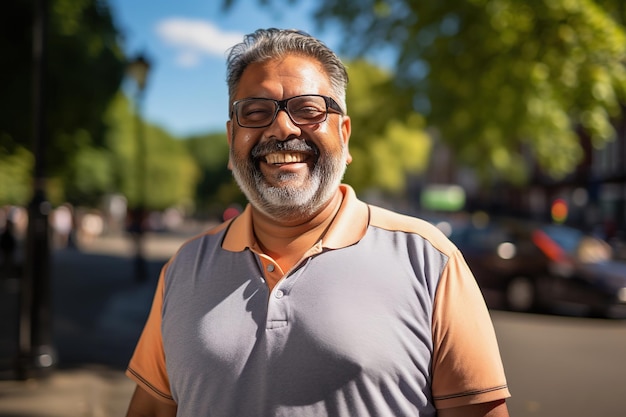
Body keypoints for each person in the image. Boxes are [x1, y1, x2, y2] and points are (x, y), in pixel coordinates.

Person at [125, 28, 511, 417]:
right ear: (231, 141)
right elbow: (154, 408)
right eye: (256, 112)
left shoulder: (429, 260)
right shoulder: (185, 267)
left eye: (308, 110)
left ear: (344, 136)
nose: (282, 129)